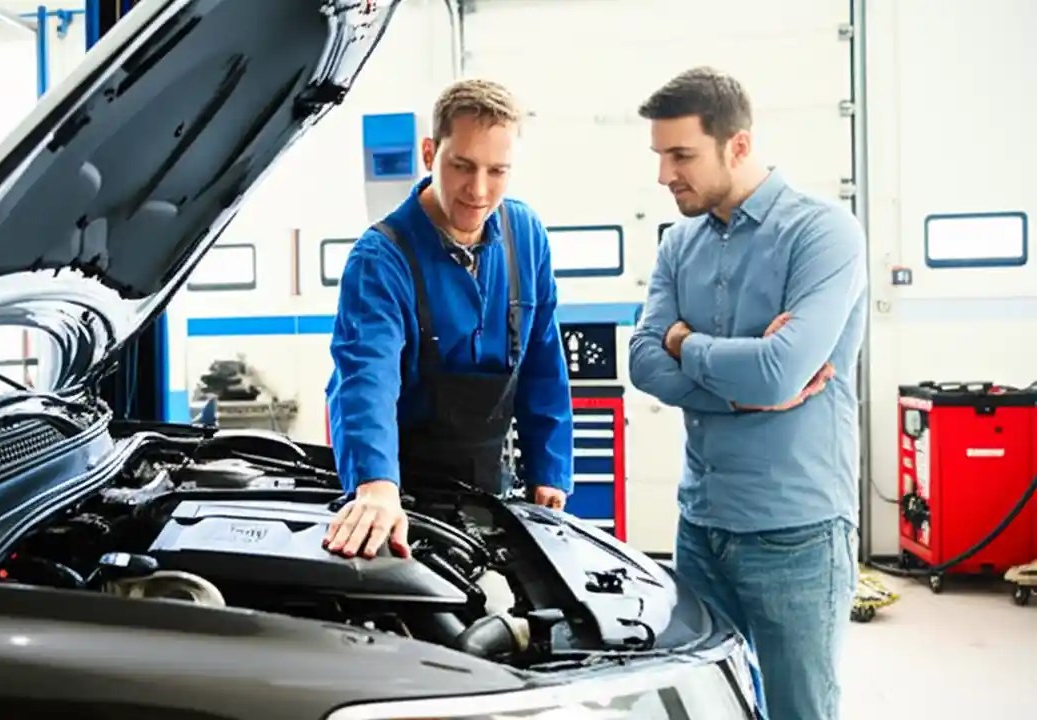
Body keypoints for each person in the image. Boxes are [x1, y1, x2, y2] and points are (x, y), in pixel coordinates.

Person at [628, 66, 867, 720]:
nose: (664, 174)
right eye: (659, 155)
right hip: (700, 528)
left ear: (737, 145)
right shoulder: (680, 244)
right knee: (706, 708)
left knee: (797, 710)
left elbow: (780, 373)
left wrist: (686, 343)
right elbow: (643, 363)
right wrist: (736, 387)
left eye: (681, 155)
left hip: (796, 533)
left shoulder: (824, 234)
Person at [322, 78, 575, 561]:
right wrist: (375, 484)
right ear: (428, 152)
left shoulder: (527, 236)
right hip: (402, 497)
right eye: (462, 167)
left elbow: (543, 360)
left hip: (490, 492)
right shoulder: (380, 258)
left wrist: (549, 471)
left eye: (497, 171)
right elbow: (364, 378)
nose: (479, 191)